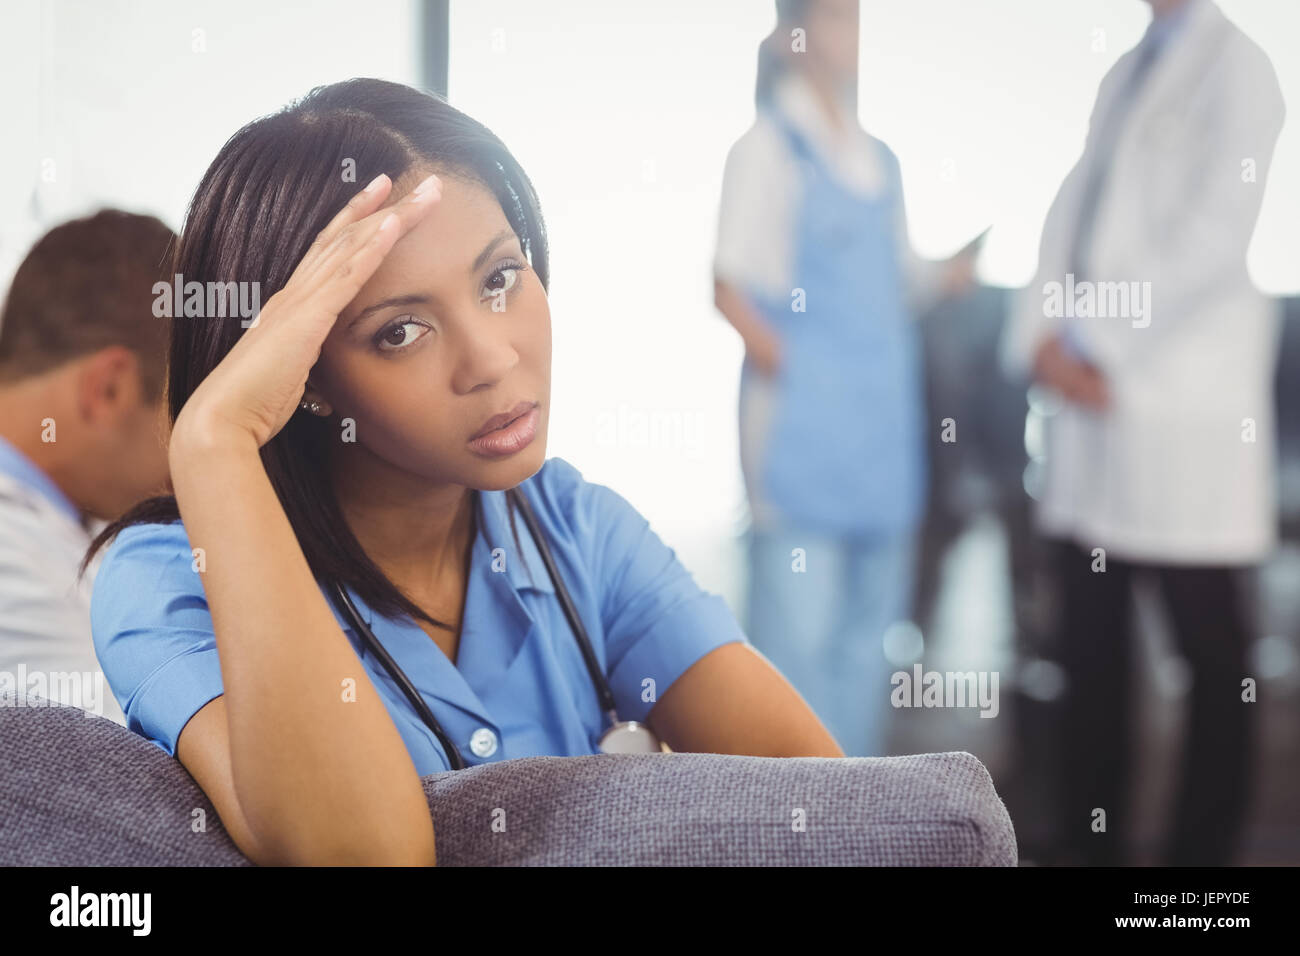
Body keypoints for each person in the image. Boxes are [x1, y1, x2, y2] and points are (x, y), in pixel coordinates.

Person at [85, 78, 844, 867]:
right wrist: (215, 437)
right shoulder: (169, 582)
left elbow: (834, 814)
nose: (491, 359)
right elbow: (364, 857)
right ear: (303, 376)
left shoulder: (575, 529)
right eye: (401, 331)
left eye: (498, 279)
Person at [1000, 0, 1285, 865]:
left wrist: (1091, 341)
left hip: (1178, 414)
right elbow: (1069, 219)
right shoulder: (1125, 71)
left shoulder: (1239, 69)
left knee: (1211, 659)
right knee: (1092, 652)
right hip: (1092, 423)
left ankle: (1199, 877)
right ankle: (1095, 845)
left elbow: (1212, 237)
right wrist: (1041, 340)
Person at [712, 0, 973, 757]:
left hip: (880, 437)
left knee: (865, 647)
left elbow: (897, 281)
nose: (849, 33)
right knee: (794, 652)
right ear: (792, 34)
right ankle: (792, 829)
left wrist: (943, 276)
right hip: (803, 438)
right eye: (833, 17)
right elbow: (728, 286)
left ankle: (853, 819)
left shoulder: (879, 160)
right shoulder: (765, 148)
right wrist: (804, 374)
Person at [0, 210, 175, 724]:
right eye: (187, 411)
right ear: (109, 390)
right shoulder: (12, 563)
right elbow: (140, 762)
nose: (187, 457)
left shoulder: (66, 524)